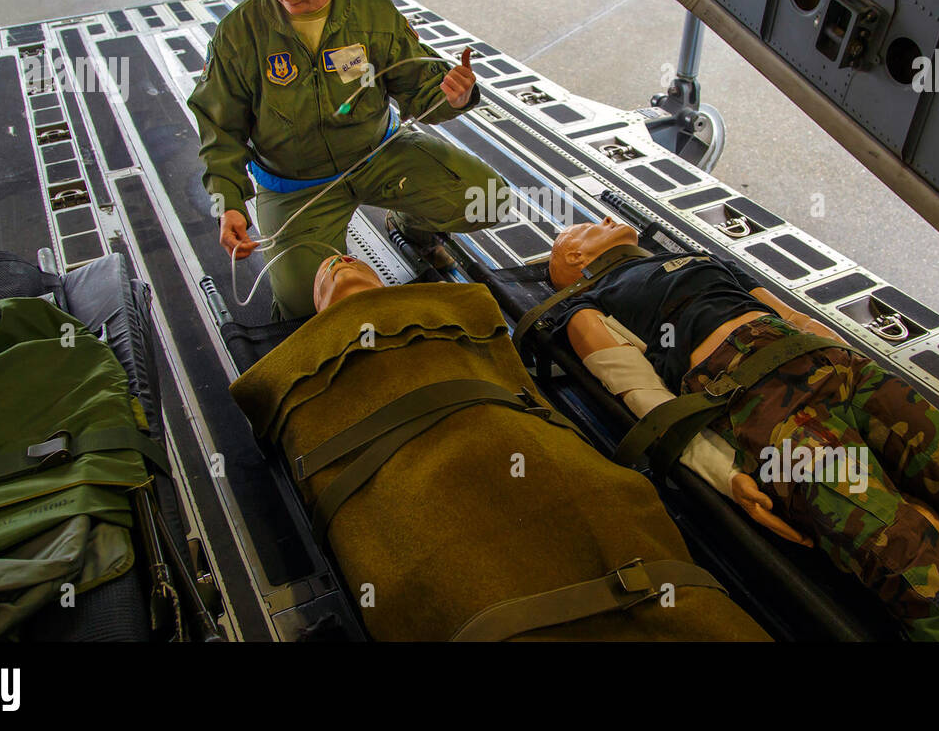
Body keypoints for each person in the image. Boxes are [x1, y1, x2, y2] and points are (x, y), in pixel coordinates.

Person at [545, 217, 939, 642]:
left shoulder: (695, 261)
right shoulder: (584, 307)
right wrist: (724, 474)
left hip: (839, 371)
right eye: (584, 226)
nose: (599, 221)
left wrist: (862, 374)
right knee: (898, 552)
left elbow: (788, 314)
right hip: (759, 403)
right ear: (574, 255)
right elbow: (647, 401)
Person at [226, 254, 772, 641]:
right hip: (458, 528)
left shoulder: (460, 315)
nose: (339, 259)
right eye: (326, 270)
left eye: (345, 256)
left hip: (543, 478)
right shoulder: (295, 369)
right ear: (314, 305)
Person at [188, 0, 507, 320]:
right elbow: (220, 128)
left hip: (378, 156)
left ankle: (410, 226)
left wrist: (456, 96)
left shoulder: (371, 14)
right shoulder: (240, 35)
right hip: (297, 185)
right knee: (304, 308)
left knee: (489, 199)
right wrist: (228, 201)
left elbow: (419, 90)